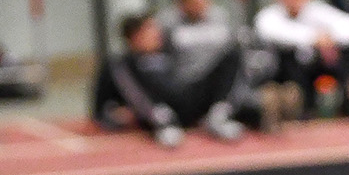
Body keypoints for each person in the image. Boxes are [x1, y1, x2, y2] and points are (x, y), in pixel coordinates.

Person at [93, 12, 270, 146]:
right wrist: (120, 115)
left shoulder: (168, 53)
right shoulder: (122, 64)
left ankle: (219, 115)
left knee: (233, 55)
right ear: (134, 36)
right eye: (150, 30)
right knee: (149, 101)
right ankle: (164, 124)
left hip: (187, 99)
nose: (157, 34)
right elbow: (106, 105)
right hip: (160, 111)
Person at [159, 0, 289, 130]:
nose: (202, 3)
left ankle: (252, 106)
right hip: (188, 86)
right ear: (181, 2)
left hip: (220, 84)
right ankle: (247, 106)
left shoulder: (219, 17)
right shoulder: (167, 24)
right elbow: (160, 60)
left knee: (241, 57)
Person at [254, 0, 349, 117]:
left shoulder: (317, 11)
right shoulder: (269, 15)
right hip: (282, 75)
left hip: (315, 73)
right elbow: (271, 31)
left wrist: (329, 38)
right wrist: (314, 38)